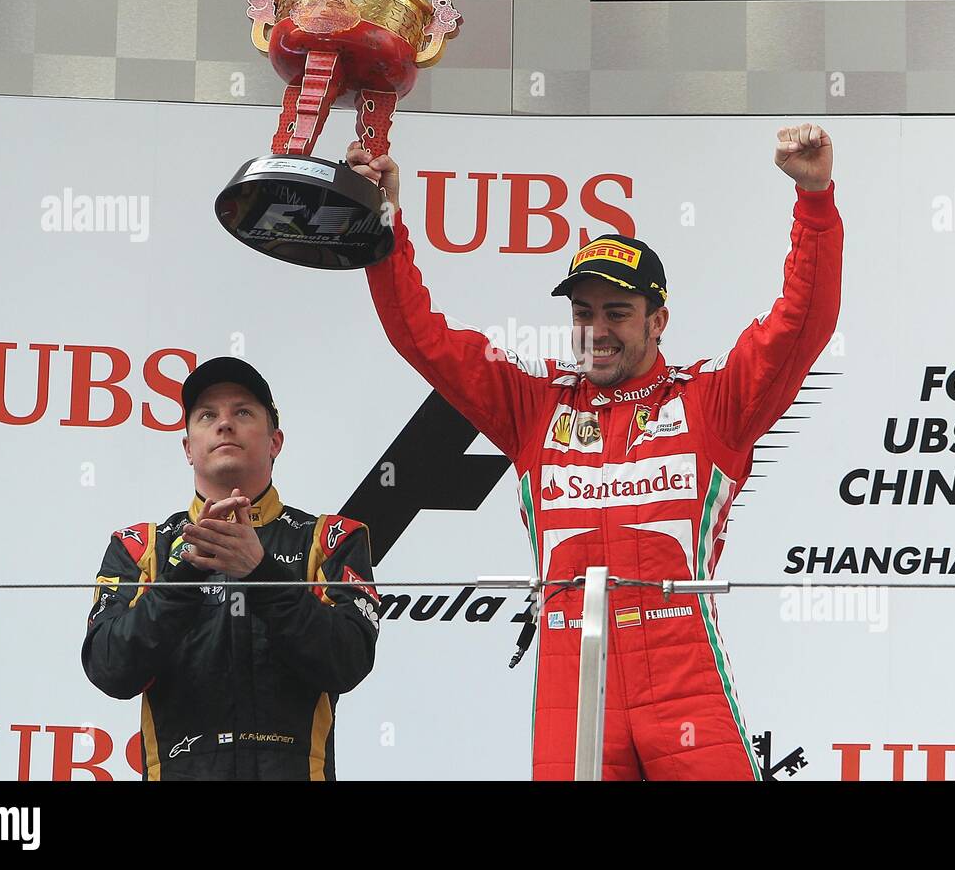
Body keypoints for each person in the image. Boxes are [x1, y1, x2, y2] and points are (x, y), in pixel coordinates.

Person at [349, 123, 842, 780]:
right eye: (583, 313)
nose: (596, 331)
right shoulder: (535, 404)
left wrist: (814, 202)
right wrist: (384, 218)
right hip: (571, 683)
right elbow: (422, 337)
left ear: (657, 319)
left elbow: (800, 325)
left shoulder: (710, 402)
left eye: (616, 312)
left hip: (681, 676)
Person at [81, 357, 379, 780]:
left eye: (242, 411)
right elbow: (111, 670)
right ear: (187, 447)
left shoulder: (331, 538)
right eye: (207, 415)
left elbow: (346, 662)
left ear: (275, 441)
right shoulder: (139, 546)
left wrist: (261, 573)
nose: (224, 424)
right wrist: (186, 573)